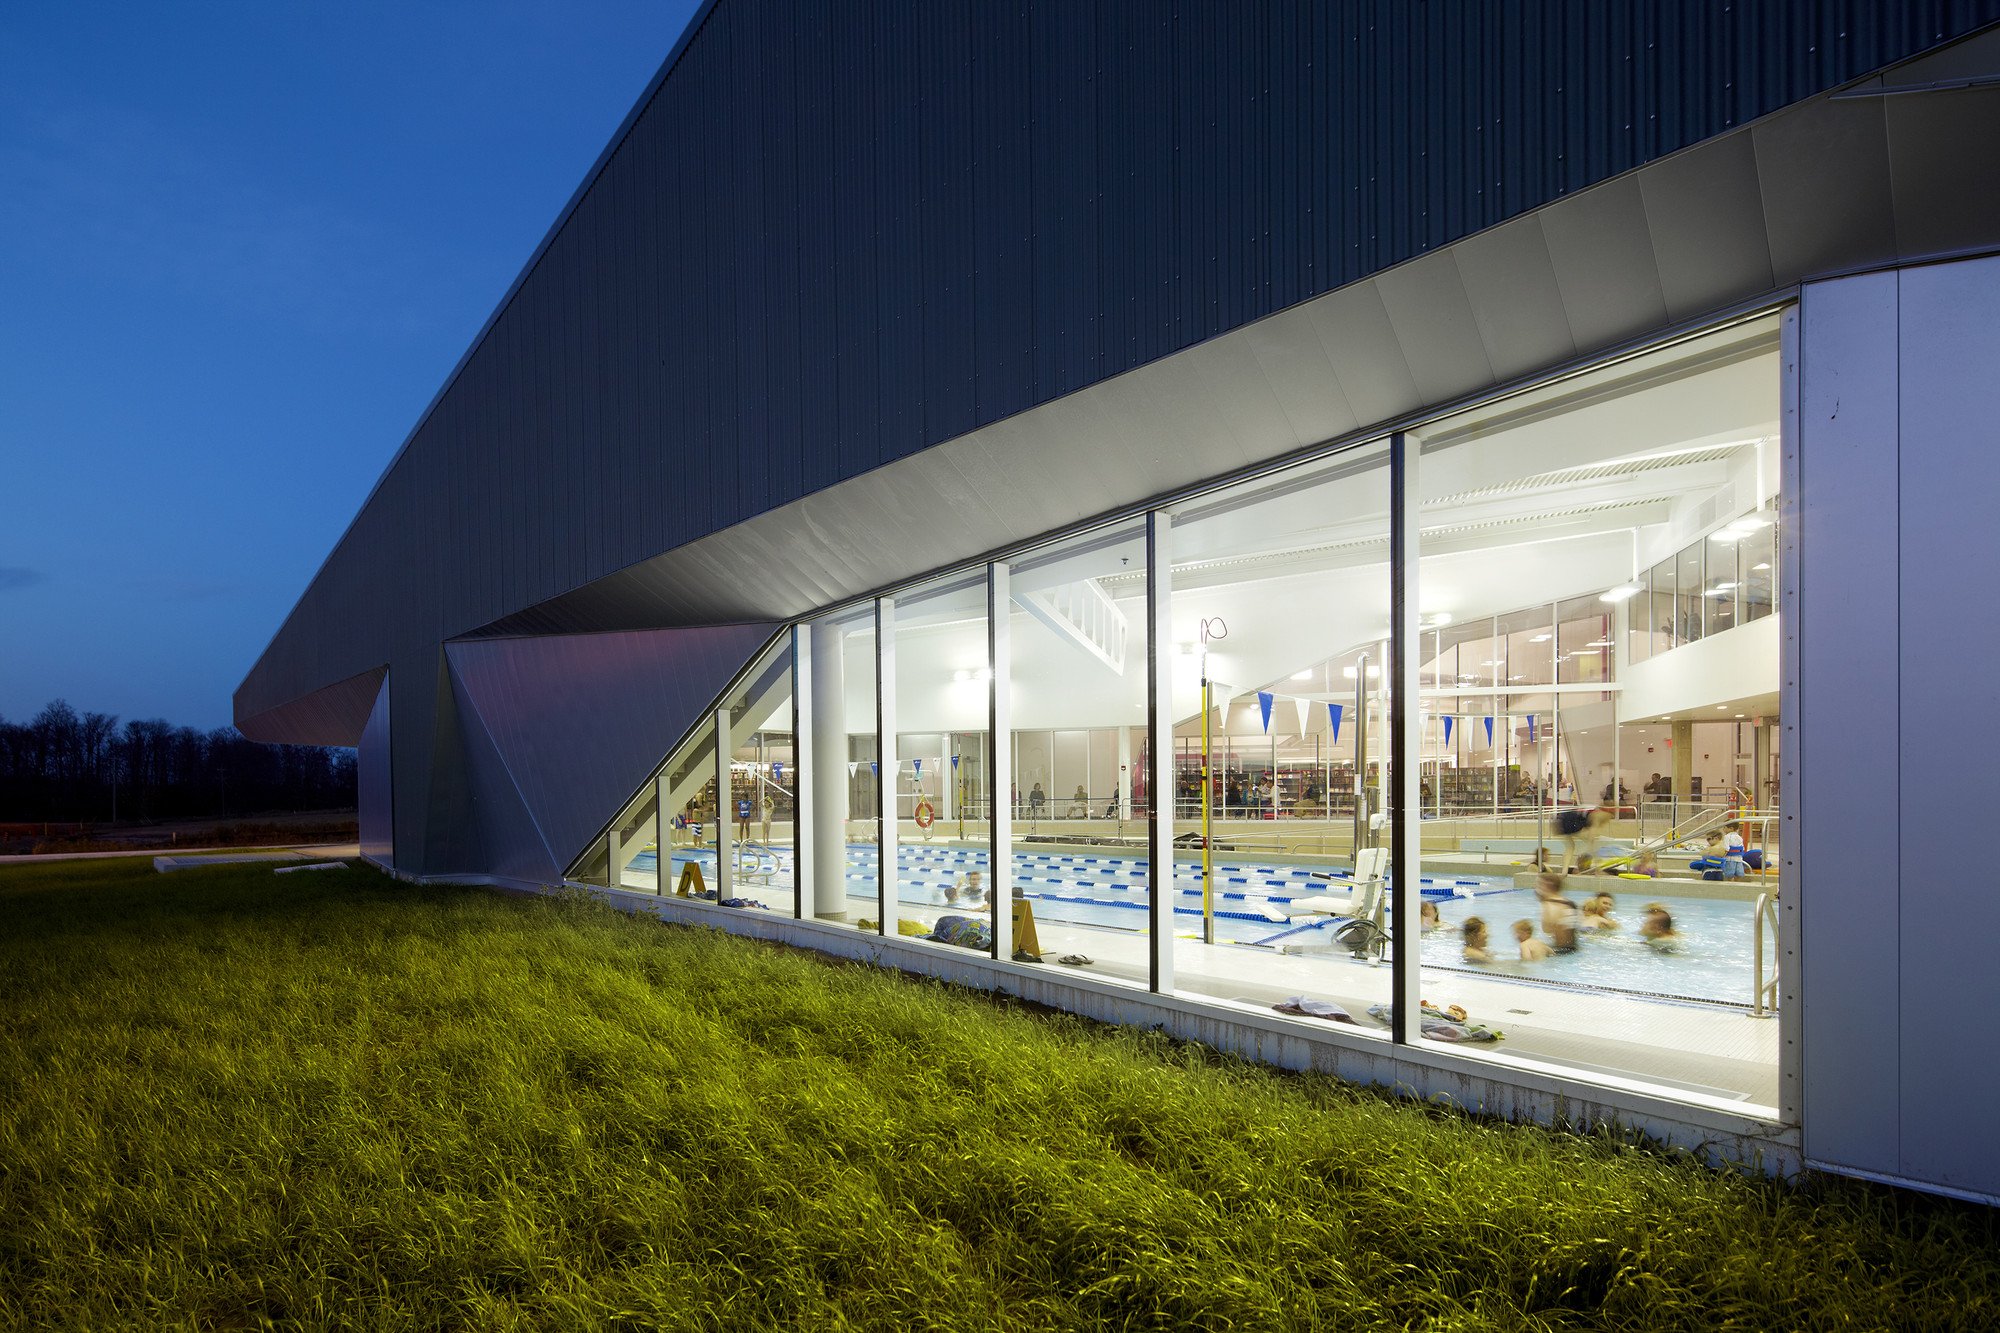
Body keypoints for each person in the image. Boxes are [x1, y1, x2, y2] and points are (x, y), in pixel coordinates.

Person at [1533, 872, 1580, 953]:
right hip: (1574, 950)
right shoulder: (1569, 903)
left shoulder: (1549, 905)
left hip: (1558, 952)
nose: (1535, 889)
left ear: (1545, 886)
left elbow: (1547, 930)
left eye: (1537, 885)